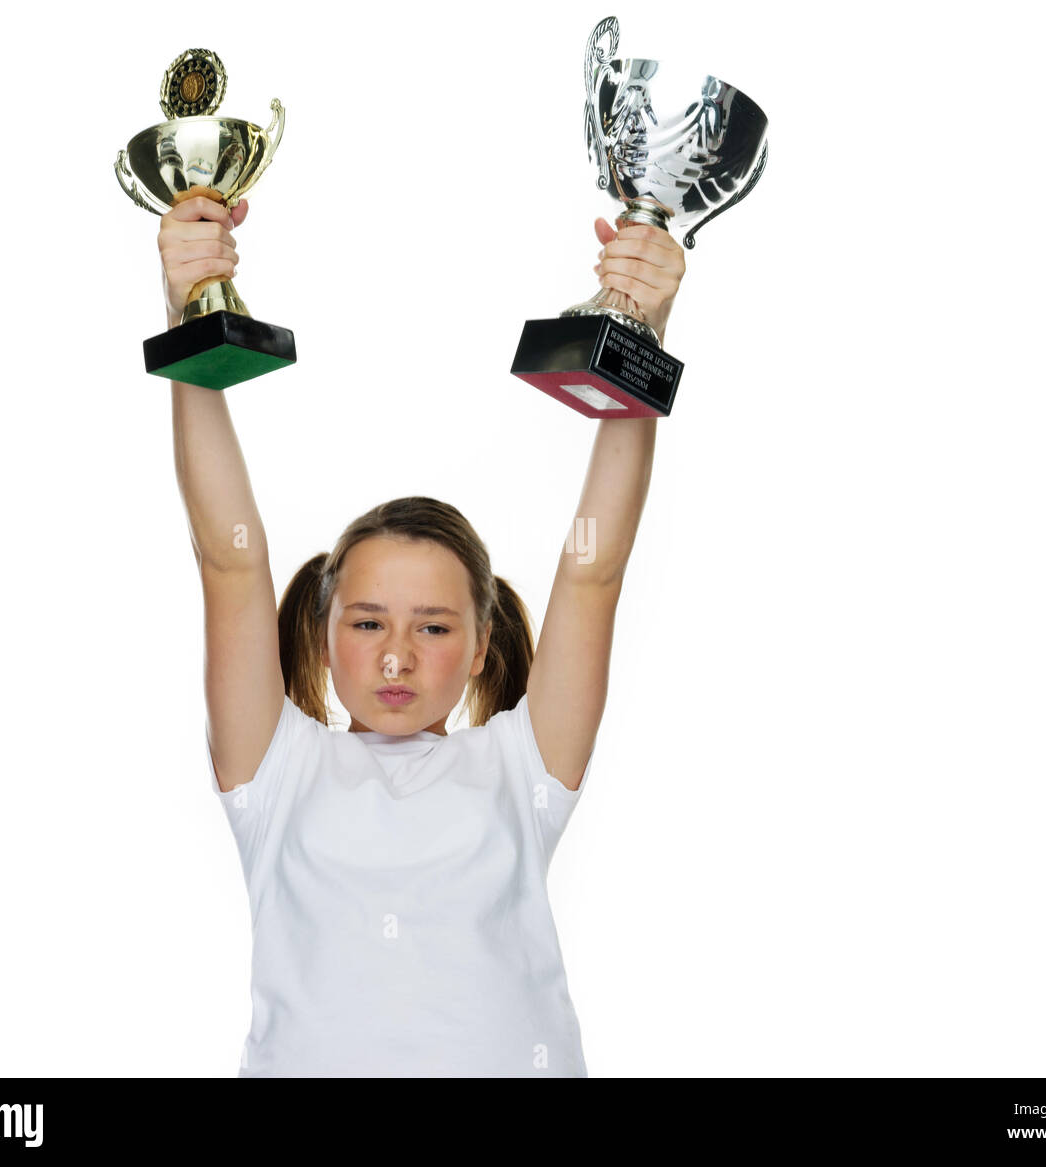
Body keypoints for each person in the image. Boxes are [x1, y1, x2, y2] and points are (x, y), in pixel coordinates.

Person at [158, 194, 686, 1076]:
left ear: (482, 646)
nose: (397, 654)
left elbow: (595, 571)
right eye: (367, 622)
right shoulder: (276, 768)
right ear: (325, 636)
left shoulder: (523, 766)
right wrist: (186, 311)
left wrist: (641, 340)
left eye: (434, 626)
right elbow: (228, 558)